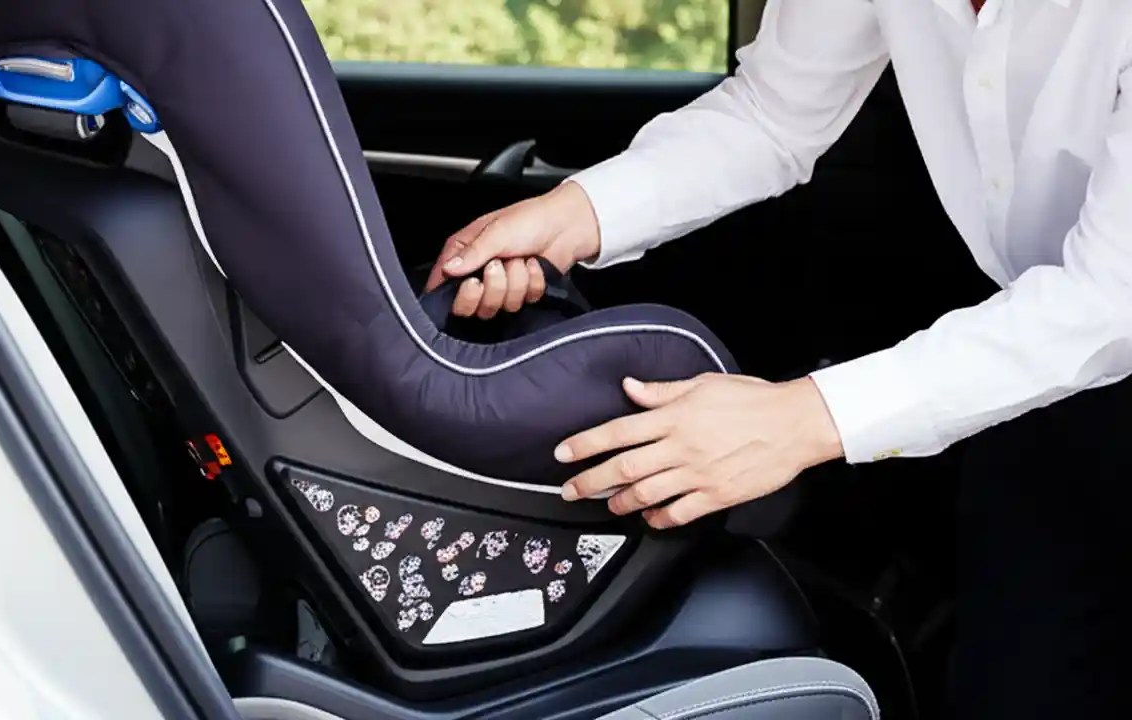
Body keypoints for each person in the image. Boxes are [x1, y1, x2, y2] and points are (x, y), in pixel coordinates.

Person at [423, 1, 1131, 717]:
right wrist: (574, 215)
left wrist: (802, 418)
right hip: (1027, 384)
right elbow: (773, 112)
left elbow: (1109, 299)